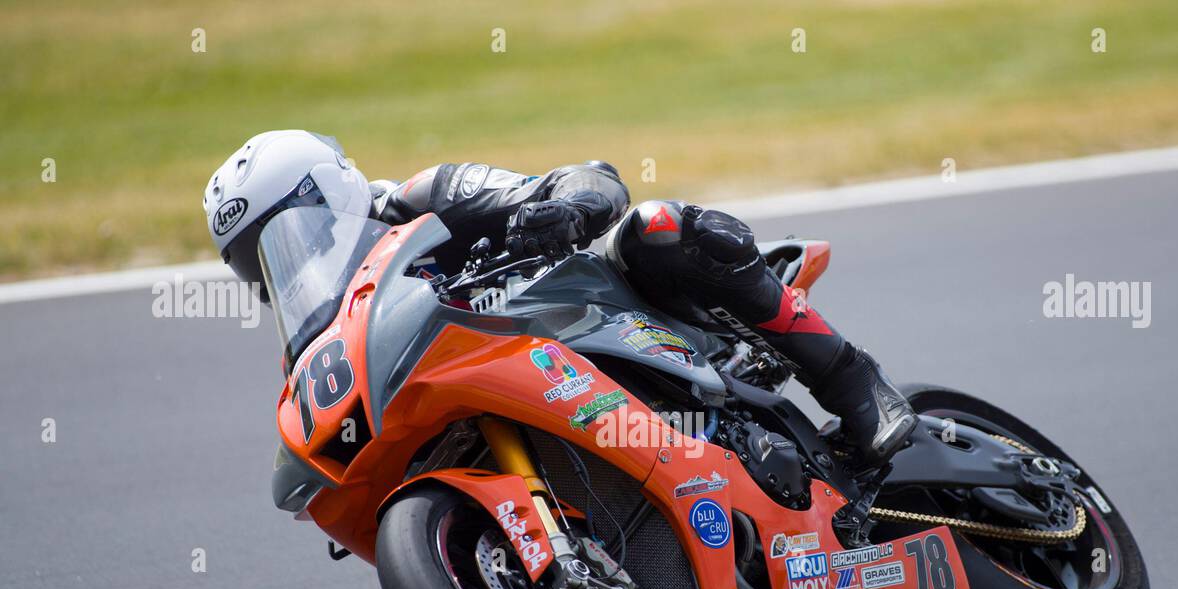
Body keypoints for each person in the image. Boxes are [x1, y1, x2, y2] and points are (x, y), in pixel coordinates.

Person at [205, 129, 916, 468]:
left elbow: (589, 178)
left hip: (591, 318)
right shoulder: (330, 338)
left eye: (281, 232)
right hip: (494, 396)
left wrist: (567, 209)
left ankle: (852, 379)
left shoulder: (426, 196)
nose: (280, 262)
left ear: (326, 192)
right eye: (253, 257)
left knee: (658, 227)